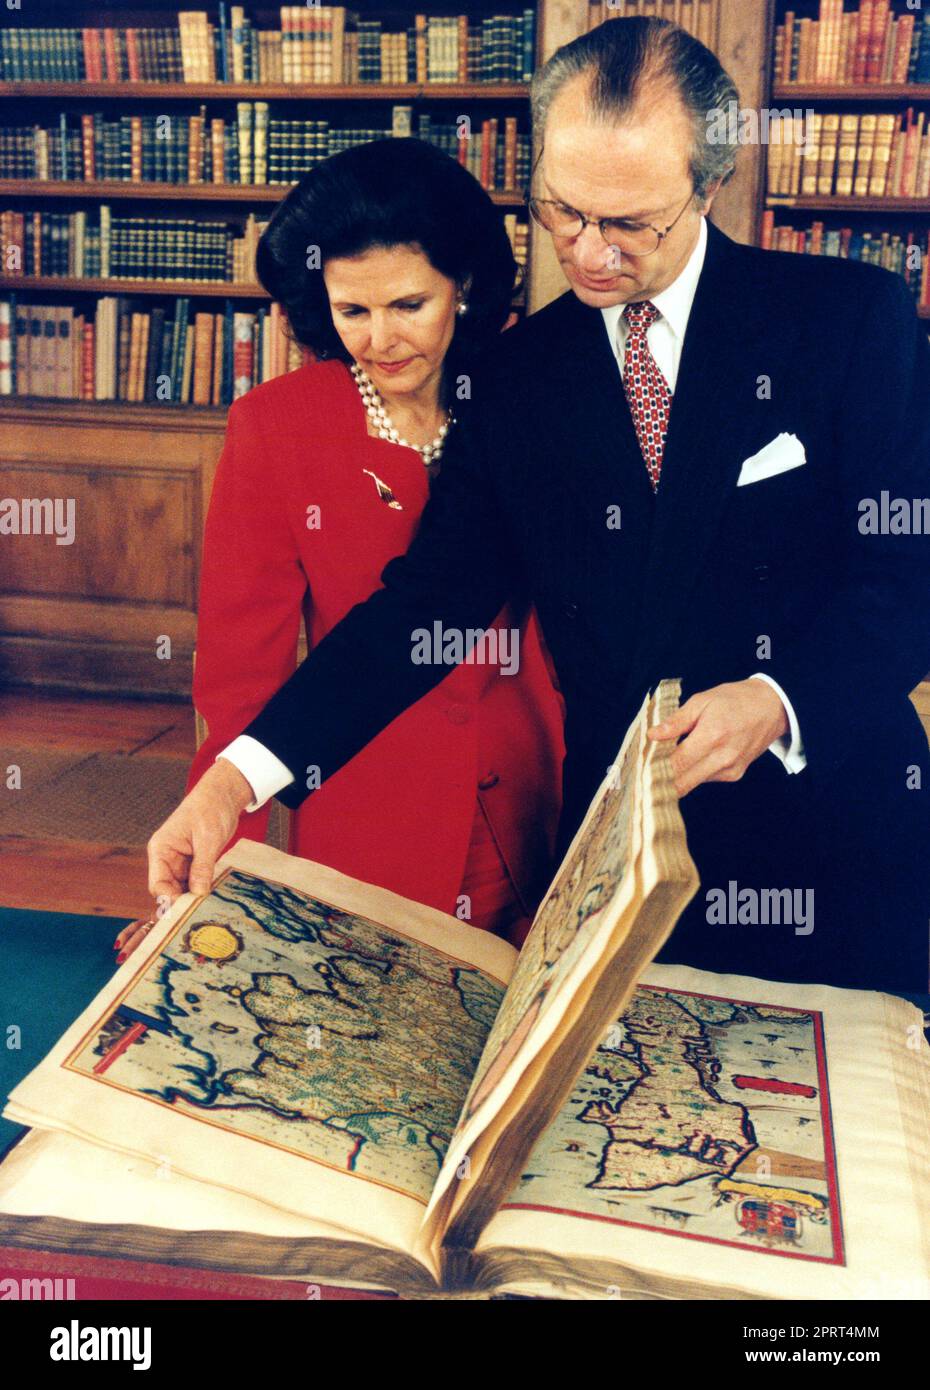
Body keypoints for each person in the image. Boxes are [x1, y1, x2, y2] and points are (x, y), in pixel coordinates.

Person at [146, 16, 930, 994]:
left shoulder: (851, 320)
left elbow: (908, 578)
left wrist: (777, 703)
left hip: (834, 847)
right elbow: (424, 608)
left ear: (710, 184)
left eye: (630, 223)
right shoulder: (512, 378)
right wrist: (240, 775)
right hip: (614, 861)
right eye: (564, 212)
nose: (591, 255)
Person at [119, 138, 565, 963]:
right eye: (350, 311)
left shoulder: (533, 392)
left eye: (408, 305)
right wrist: (221, 862)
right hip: (367, 804)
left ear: (463, 287)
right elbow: (237, 672)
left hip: (538, 798)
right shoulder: (275, 428)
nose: (379, 339)